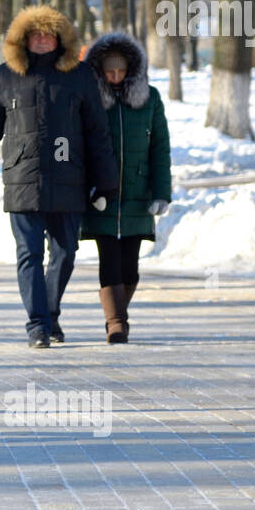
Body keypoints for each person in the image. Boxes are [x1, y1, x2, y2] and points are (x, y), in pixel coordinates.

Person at [0, 5, 118, 348]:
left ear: (60, 39)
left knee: (65, 254)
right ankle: (38, 325)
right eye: (36, 35)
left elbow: (97, 132)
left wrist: (106, 180)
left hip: (68, 181)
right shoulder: (5, 77)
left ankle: (50, 314)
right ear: (24, 40)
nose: (43, 40)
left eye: (49, 34)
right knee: (29, 254)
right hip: (23, 182)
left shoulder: (79, 76)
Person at [80, 32, 172, 344]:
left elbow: (160, 148)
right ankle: (116, 322)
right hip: (102, 194)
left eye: (121, 71)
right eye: (110, 71)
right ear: (100, 71)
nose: (116, 77)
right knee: (109, 258)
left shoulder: (150, 99)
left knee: (130, 265)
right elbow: (79, 147)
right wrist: (87, 188)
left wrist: (161, 192)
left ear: (132, 70)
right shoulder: (90, 100)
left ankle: (119, 314)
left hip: (138, 192)